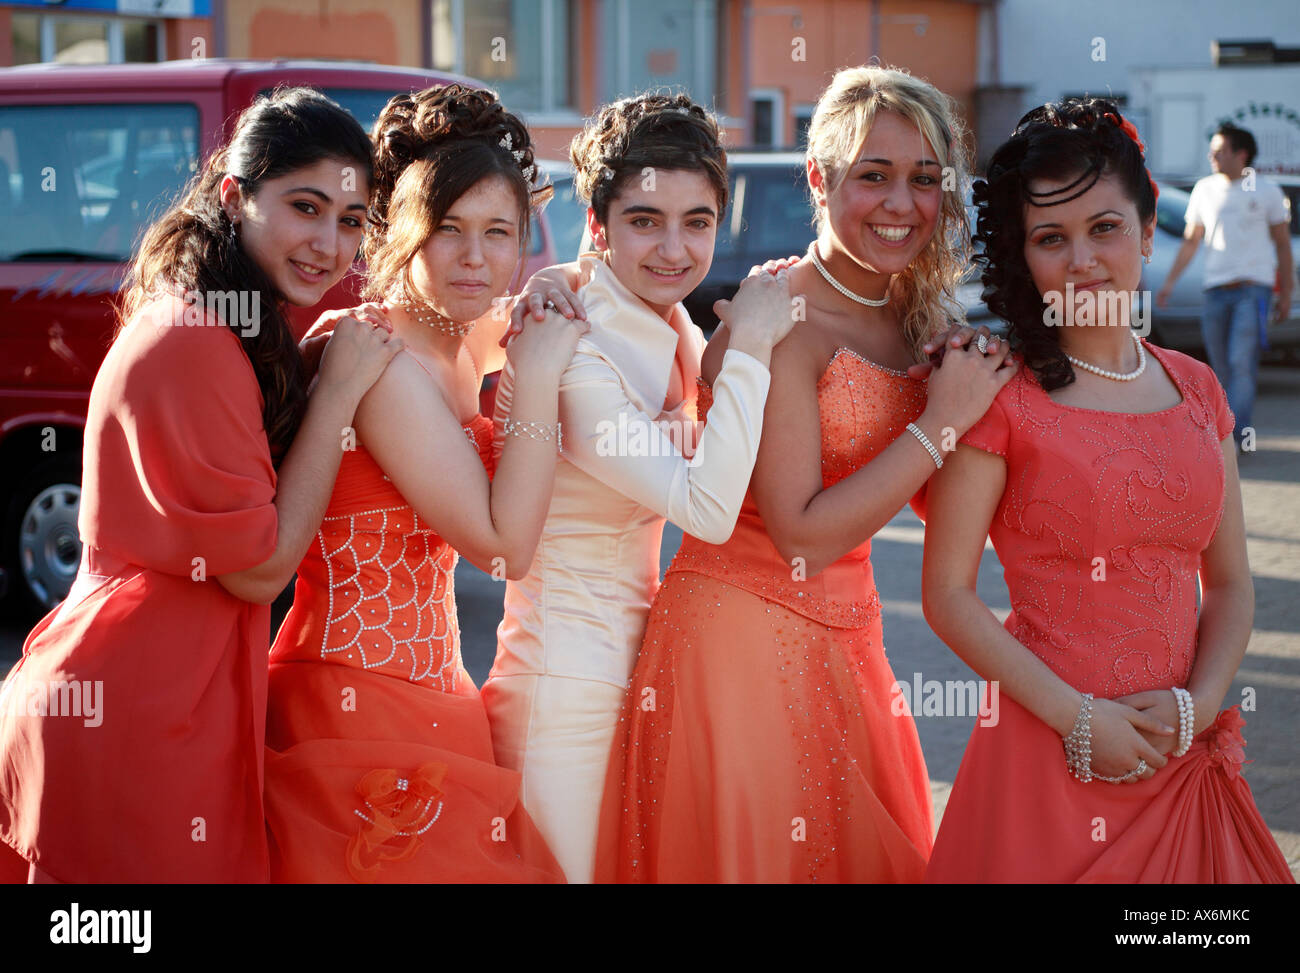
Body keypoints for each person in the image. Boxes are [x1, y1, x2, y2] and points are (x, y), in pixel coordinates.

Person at [594, 65, 1016, 883]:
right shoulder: (782, 317)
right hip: (740, 639)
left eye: (924, 179)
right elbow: (801, 531)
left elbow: (919, 501)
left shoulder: (917, 316)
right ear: (819, 178)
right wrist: (938, 424)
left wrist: (973, 398)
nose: (902, 203)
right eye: (874, 176)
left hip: (853, 639)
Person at [0, 88, 402, 883]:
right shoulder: (197, 340)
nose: (329, 242)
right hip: (136, 718)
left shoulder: (225, 322)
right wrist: (336, 396)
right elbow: (258, 567)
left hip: (166, 708)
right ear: (234, 196)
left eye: (351, 220)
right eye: (305, 206)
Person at [923, 99, 1293, 883]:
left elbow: (1229, 586)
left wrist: (1197, 708)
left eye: (1105, 228)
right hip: (1044, 754)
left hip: (1180, 756)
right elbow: (947, 595)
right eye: (1050, 238)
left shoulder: (1197, 388)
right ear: (1023, 256)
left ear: (1149, 224)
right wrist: (1078, 717)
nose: (1082, 258)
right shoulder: (997, 389)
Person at [262, 84, 582, 883]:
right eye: (447, 231)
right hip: (351, 695)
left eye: (498, 233)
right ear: (401, 232)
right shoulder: (380, 358)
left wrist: (554, 290)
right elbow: (504, 546)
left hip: (445, 694)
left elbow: (547, 304)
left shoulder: (459, 335)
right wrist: (537, 377)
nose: (475, 258)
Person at [478, 93, 797, 883]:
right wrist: (751, 342)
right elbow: (706, 507)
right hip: (564, 689)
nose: (674, 247)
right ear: (599, 222)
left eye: (697, 221)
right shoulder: (575, 347)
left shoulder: (666, 322)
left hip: (645, 673)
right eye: (644, 219)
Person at [1156, 122, 1294, 447]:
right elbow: (1191, 241)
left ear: (1240, 154)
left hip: (1253, 290)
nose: (1212, 156)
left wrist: (1285, 291)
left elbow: (1283, 244)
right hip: (1215, 291)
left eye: (1218, 151)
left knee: (1241, 364)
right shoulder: (1204, 189)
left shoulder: (1267, 190)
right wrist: (1169, 283)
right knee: (1219, 369)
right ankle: (1227, 431)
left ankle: (1235, 439)